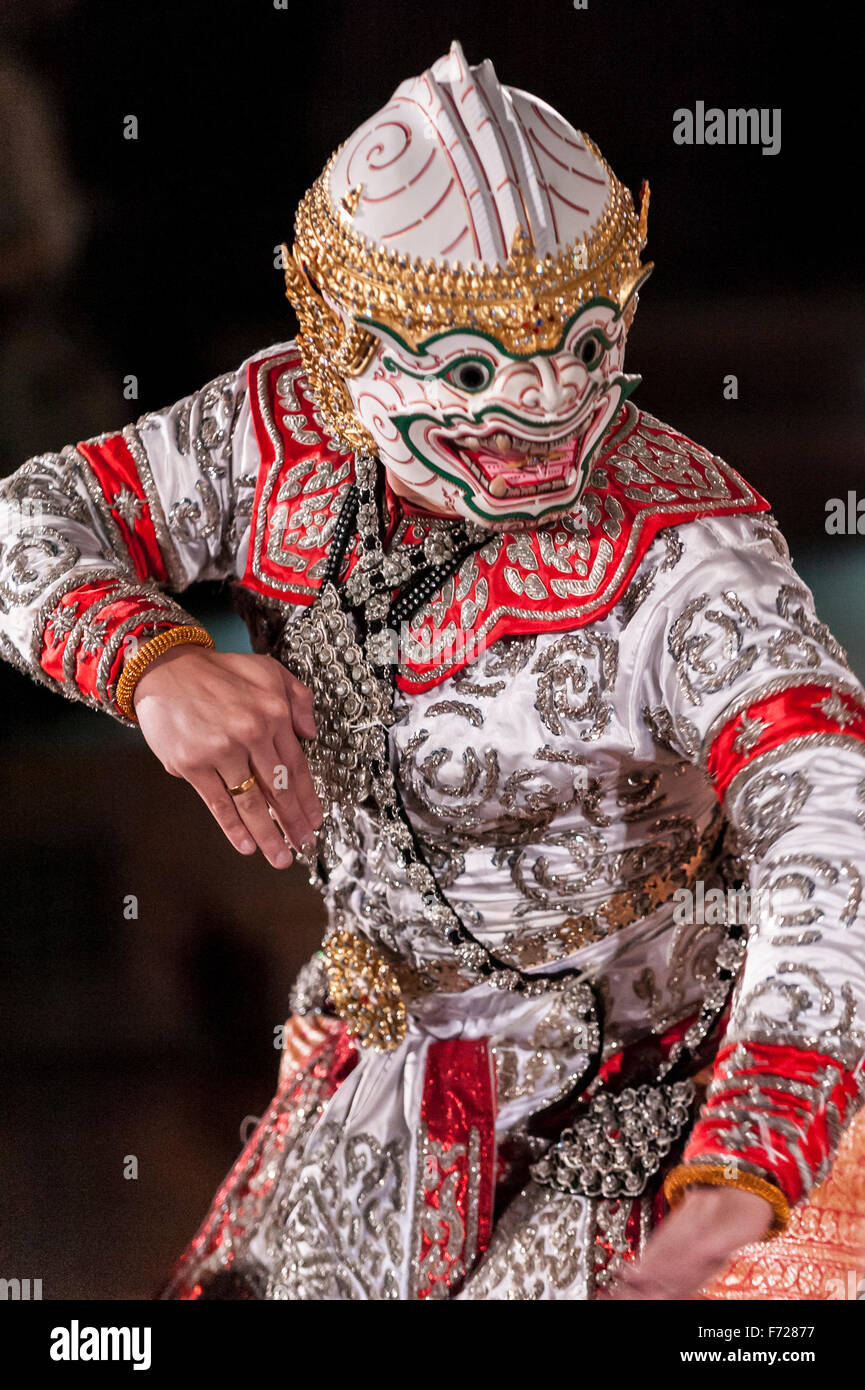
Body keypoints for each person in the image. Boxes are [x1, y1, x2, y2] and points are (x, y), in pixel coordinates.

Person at [1, 41, 863, 1301]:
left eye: (582, 343)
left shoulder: (683, 554)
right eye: (468, 369)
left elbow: (829, 826)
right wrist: (152, 661)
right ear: (342, 342)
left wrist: (749, 1156)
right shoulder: (273, 434)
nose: (546, 406)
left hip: (646, 1095)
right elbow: (30, 517)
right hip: (387, 1074)